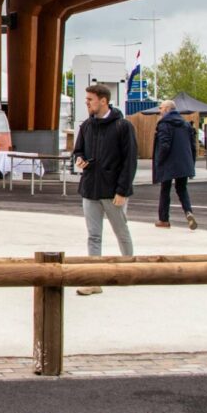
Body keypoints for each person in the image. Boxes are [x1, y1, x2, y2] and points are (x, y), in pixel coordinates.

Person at [71, 84, 137, 296]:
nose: (87, 103)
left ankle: (129, 272)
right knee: (94, 236)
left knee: (121, 232)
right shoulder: (86, 126)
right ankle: (94, 279)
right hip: (90, 189)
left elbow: (130, 162)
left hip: (113, 192)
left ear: (103, 100)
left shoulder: (123, 127)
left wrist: (123, 190)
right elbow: (78, 150)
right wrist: (80, 158)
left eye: (90, 99)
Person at [153, 99, 199, 230]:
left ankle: (164, 220)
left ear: (167, 109)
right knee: (182, 189)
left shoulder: (164, 124)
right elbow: (193, 146)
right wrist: (191, 164)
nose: (159, 111)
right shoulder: (186, 124)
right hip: (184, 162)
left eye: (161, 108)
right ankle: (188, 212)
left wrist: (159, 161)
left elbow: (164, 145)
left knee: (165, 190)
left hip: (168, 162)